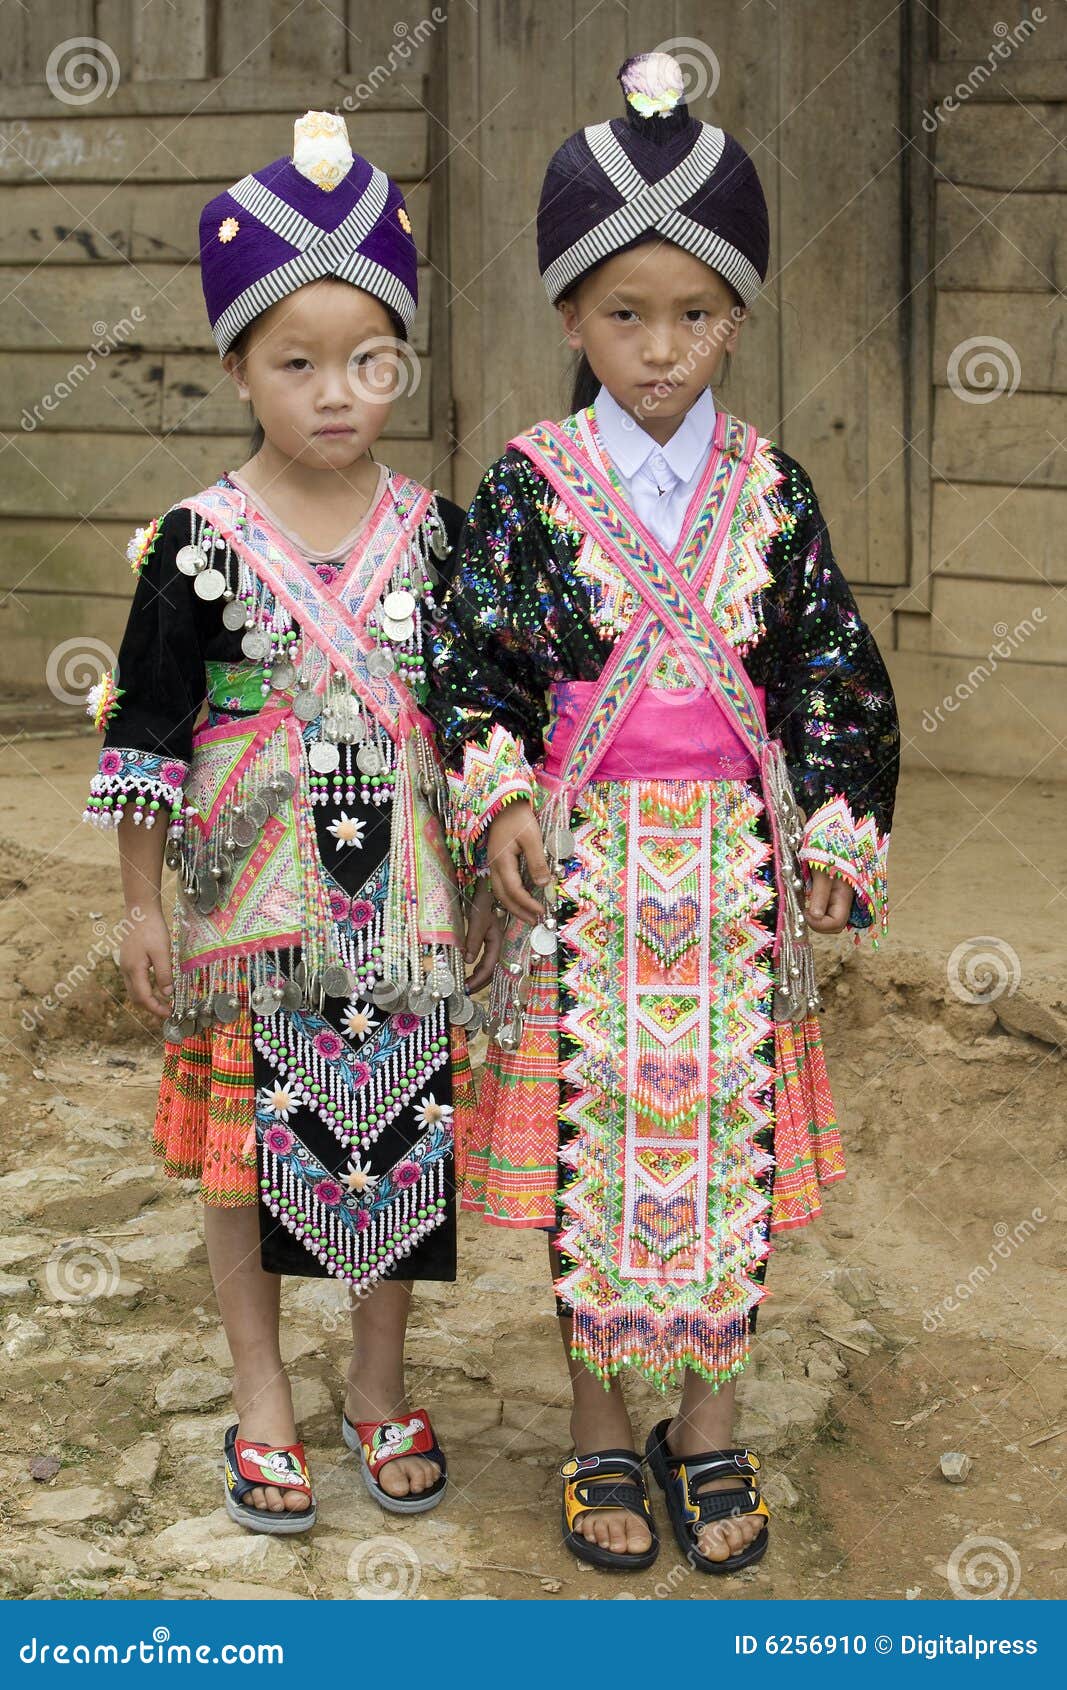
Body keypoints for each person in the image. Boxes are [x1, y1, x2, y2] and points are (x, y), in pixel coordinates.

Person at [426, 53, 900, 1576]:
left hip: (736, 883)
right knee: (597, 1153)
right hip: (585, 881)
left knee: (722, 1152)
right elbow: (474, 664)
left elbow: (833, 666)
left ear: (739, 318)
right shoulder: (526, 491)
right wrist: (495, 790)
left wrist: (831, 831)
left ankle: (708, 1425)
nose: (661, 349)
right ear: (569, 316)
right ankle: (591, 1430)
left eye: (696, 314)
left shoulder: (775, 492)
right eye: (625, 314)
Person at [83, 110, 497, 1536]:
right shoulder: (195, 547)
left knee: (393, 1141)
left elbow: (478, 723)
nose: (336, 392)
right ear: (237, 365)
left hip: (403, 917)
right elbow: (143, 734)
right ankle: (262, 1388)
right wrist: (142, 902)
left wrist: (496, 873)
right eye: (297, 361)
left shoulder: (440, 541)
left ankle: (377, 1381)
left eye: (368, 359)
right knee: (242, 1152)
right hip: (245, 917)